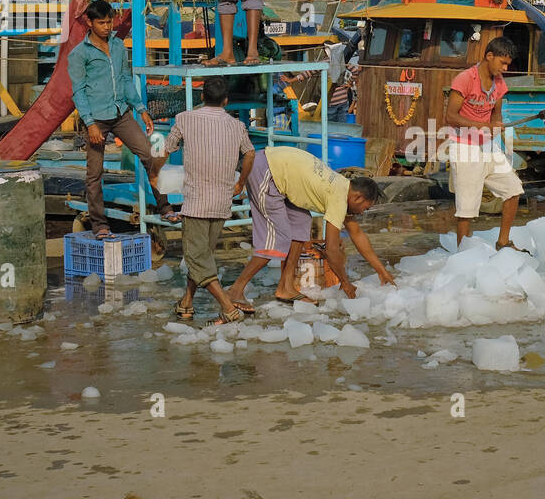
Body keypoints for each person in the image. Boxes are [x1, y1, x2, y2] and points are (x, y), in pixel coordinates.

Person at [225, 145, 394, 309]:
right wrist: (345, 282)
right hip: (266, 170)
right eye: (365, 208)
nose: (362, 212)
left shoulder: (343, 188)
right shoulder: (338, 198)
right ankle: (236, 290)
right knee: (276, 240)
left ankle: (286, 287)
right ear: (358, 197)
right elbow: (331, 249)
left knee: (301, 222)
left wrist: (381, 271)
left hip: (281, 173)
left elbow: (356, 233)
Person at [67, 0, 176, 239]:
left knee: (150, 155)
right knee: (94, 173)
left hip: (121, 114)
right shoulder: (79, 54)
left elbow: (126, 80)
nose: (107, 27)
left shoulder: (117, 46)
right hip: (96, 117)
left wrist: (142, 109)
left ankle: (165, 207)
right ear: (90, 22)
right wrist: (90, 123)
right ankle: (98, 224)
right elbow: (78, 91)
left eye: (109, 22)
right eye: (102, 23)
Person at [166, 77, 255, 324]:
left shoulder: (184, 118)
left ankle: (228, 306)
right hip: (221, 203)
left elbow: (168, 148)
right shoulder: (236, 126)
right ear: (226, 100)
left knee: (196, 259)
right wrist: (241, 182)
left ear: (202, 96)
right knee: (202, 256)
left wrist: (154, 174)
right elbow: (250, 153)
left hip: (196, 203)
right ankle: (186, 302)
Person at [444, 37, 525, 252]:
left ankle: (503, 242)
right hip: (464, 147)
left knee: (514, 190)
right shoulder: (465, 79)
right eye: (502, 63)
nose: (505, 68)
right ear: (489, 56)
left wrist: (496, 126)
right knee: (467, 207)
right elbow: (450, 117)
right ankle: (463, 253)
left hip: (488, 146)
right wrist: (480, 125)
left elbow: (495, 115)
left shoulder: (499, 83)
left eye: (508, 64)